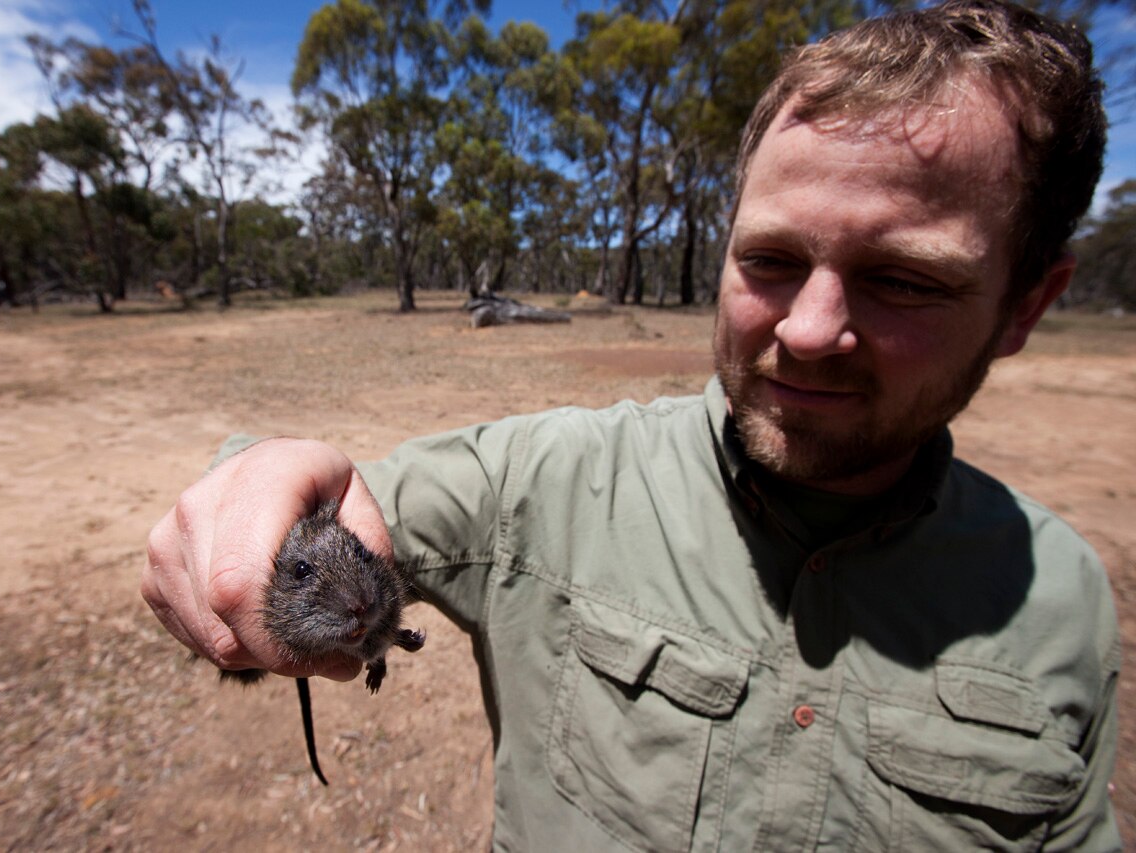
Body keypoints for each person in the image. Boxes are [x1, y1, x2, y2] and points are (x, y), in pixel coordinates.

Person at [141, 1, 1121, 848]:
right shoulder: (543, 481)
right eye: (770, 261)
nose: (809, 330)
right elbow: (318, 504)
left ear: (1024, 307)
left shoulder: (1059, 598)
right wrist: (257, 487)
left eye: (902, 279)